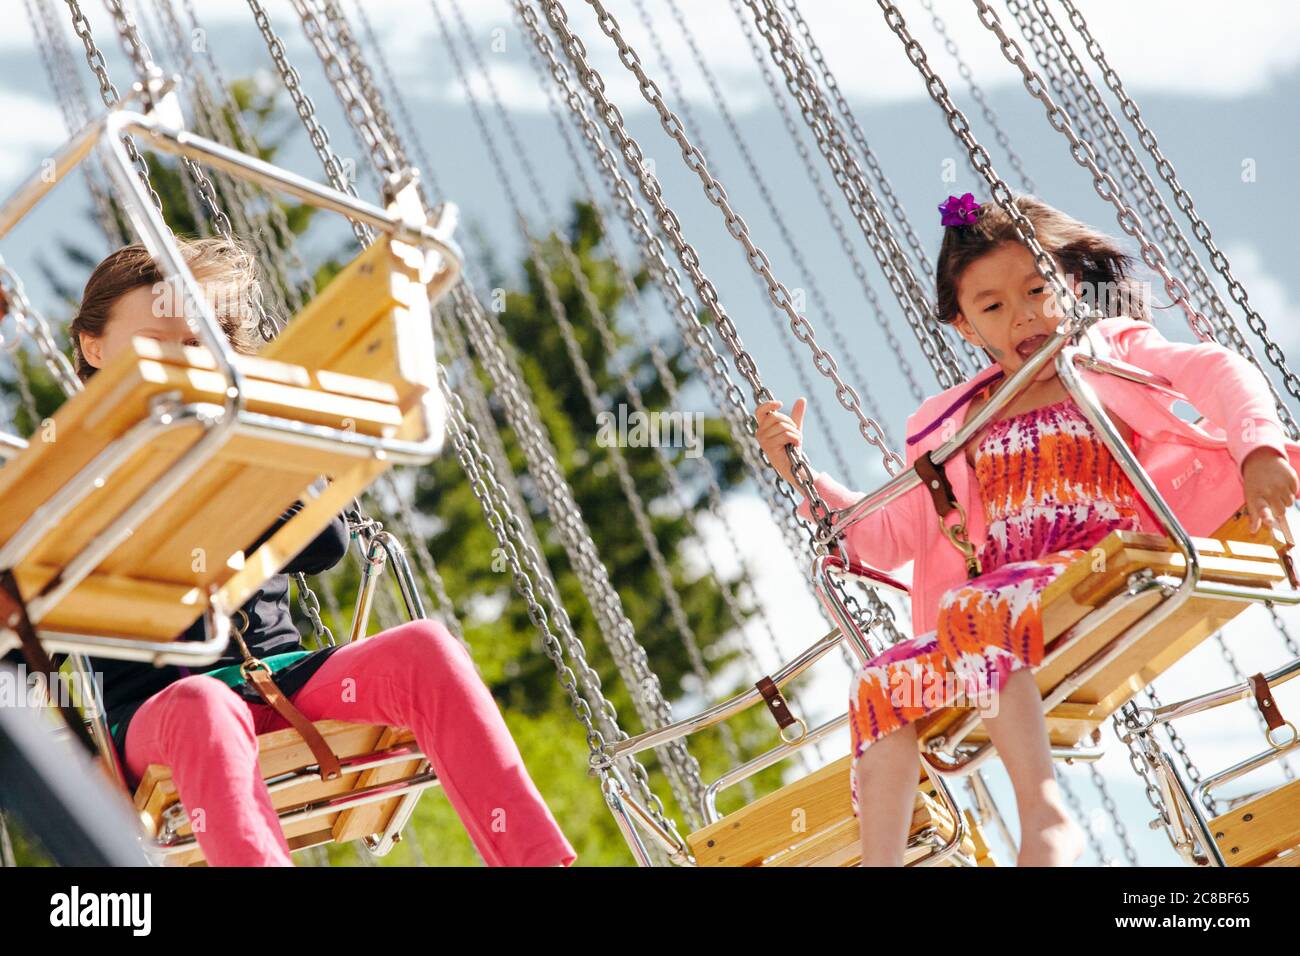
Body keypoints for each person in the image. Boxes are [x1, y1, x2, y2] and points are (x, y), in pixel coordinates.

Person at [756, 193, 1300, 867]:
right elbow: (882, 535)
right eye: (993, 307)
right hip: (1001, 630)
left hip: (1101, 574)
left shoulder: (1107, 354)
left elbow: (1221, 373)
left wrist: (1260, 451)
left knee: (973, 606)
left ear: (1071, 281)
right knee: (880, 684)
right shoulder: (955, 422)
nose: (1023, 315)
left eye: (1038, 289)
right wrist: (804, 478)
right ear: (965, 327)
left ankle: (1044, 811)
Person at [72, 239, 576, 867]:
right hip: (163, 715)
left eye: (198, 342)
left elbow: (325, 543)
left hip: (282, 679)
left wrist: (232, 456)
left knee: (426, 648)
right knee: (207, 704)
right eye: (157, 338)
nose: (180, 358)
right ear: (95, 347)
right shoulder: (68, 474)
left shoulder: (246, 440)